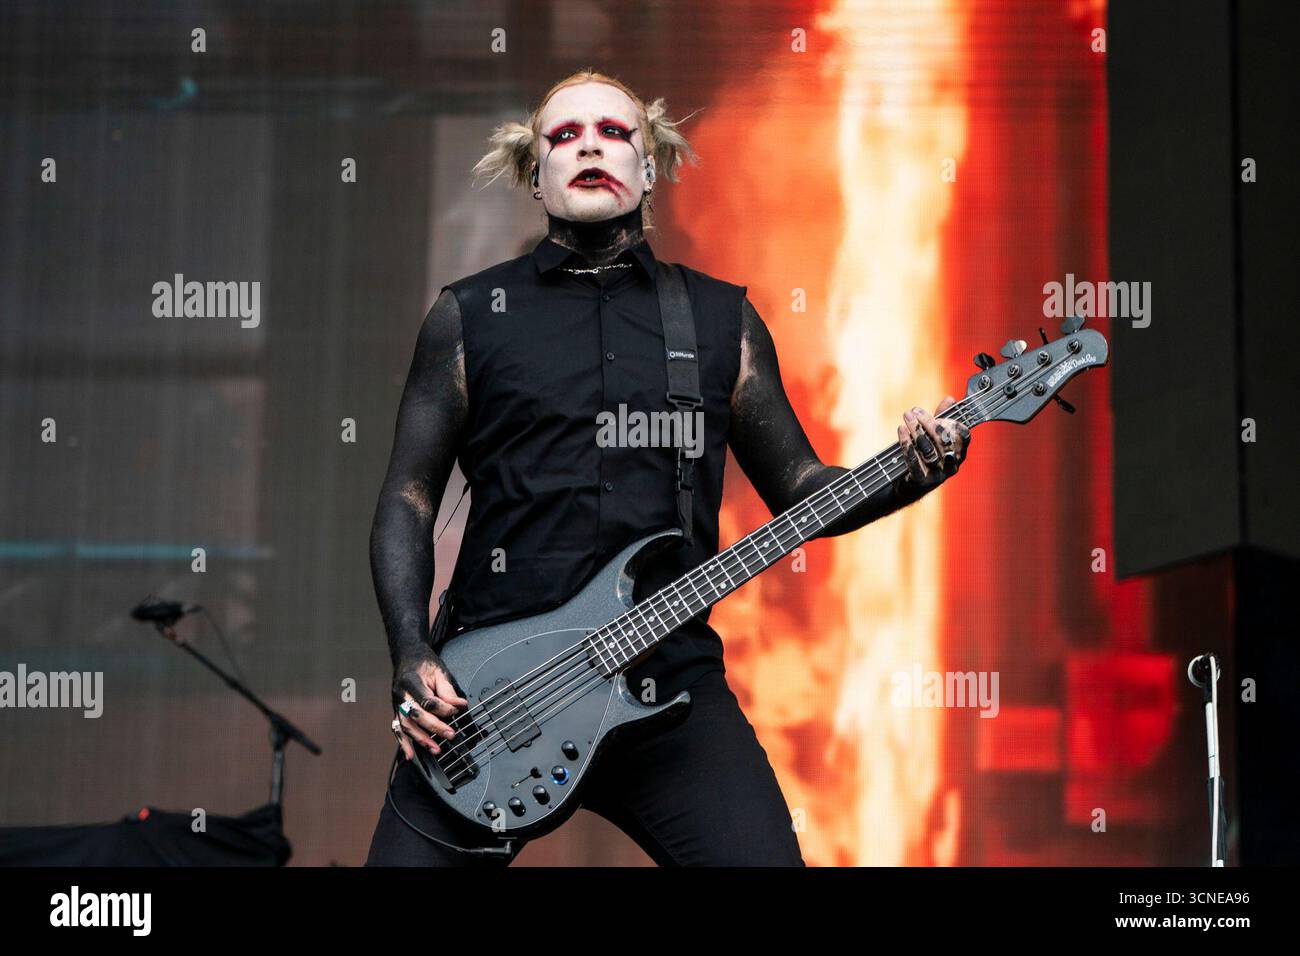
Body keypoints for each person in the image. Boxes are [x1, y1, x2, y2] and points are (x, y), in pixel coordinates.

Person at [364, 70, 970, 866]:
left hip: (668, 679)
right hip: (492, 694)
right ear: (535, 174)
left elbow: (801, 488)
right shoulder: (469, 317)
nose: (590, 145)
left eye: (616, 134)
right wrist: (410, 652)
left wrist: (914, 470)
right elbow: (409, 498)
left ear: (649, 171)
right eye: (564, 135)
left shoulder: (722, 320)